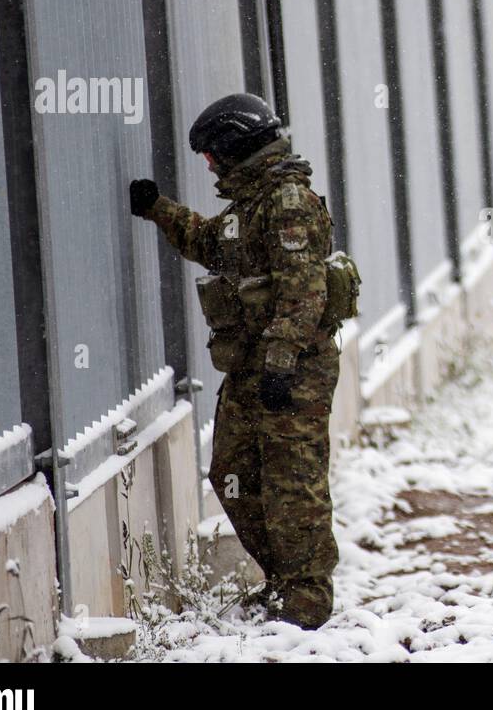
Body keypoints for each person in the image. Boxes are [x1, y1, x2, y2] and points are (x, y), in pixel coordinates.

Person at [129, 93, 339, 630]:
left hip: (291, 372)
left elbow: (305, 292)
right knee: (233, 474)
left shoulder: (286, 202)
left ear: (236, 148)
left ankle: (307, 601)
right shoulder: (252, 205)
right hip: (254, 368)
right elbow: (211, 243)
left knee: (293, 483)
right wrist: (159, 208)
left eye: (213, 155)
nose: (210, 166)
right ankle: (283, 581)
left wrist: (282, 360)